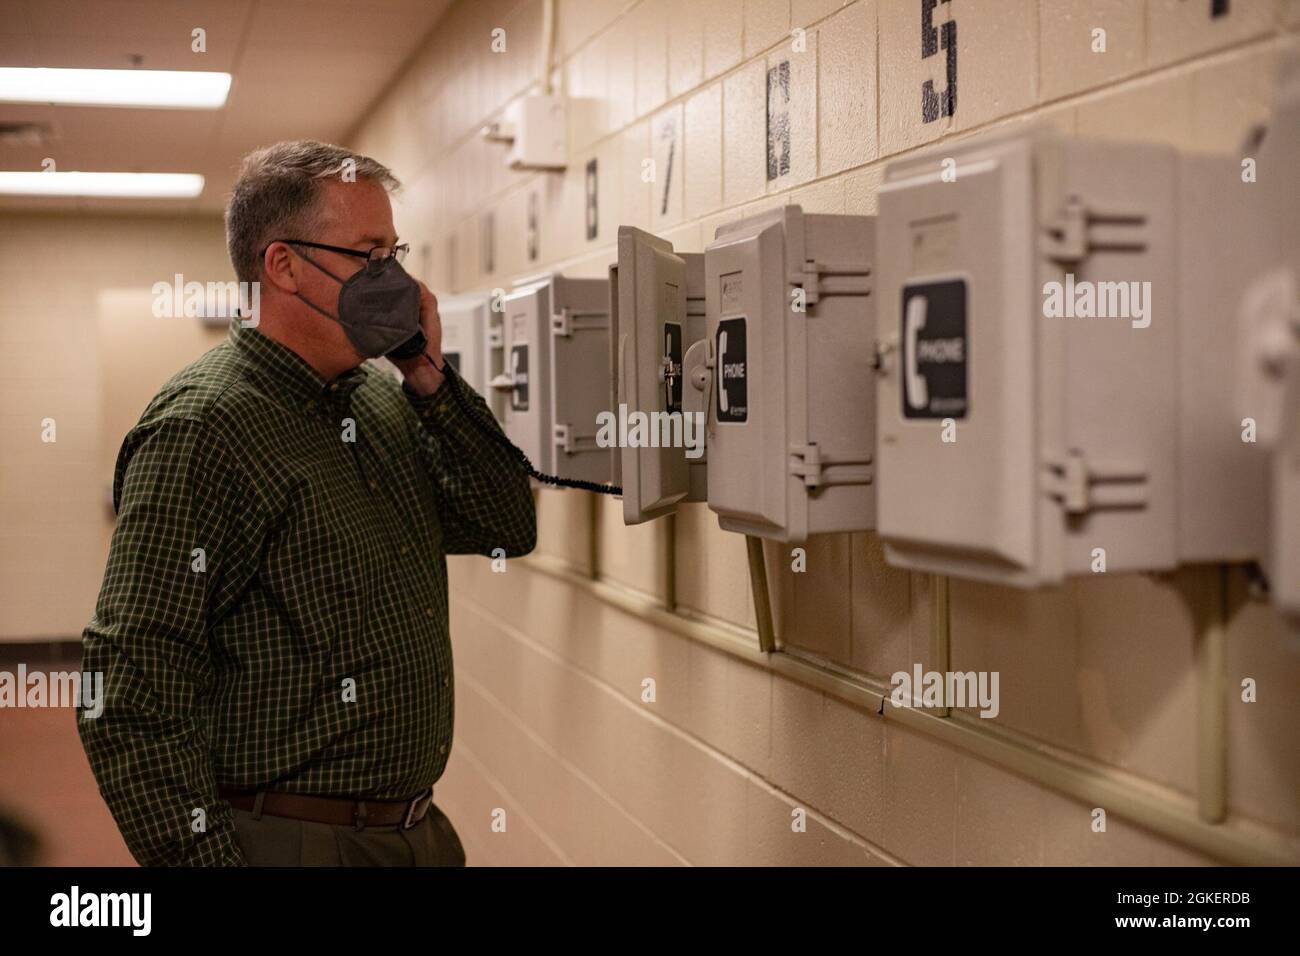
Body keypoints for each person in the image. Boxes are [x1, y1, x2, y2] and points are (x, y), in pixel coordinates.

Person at [77, 140, 536, 866]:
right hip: (291, 841)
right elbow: (128, 686)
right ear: (283, 265)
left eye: (395, 252)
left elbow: (507, 525)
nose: (393, 277)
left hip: (415, 832)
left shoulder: (380, 400)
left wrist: (429, 377)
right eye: (368, 254)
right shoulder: (205, 427)